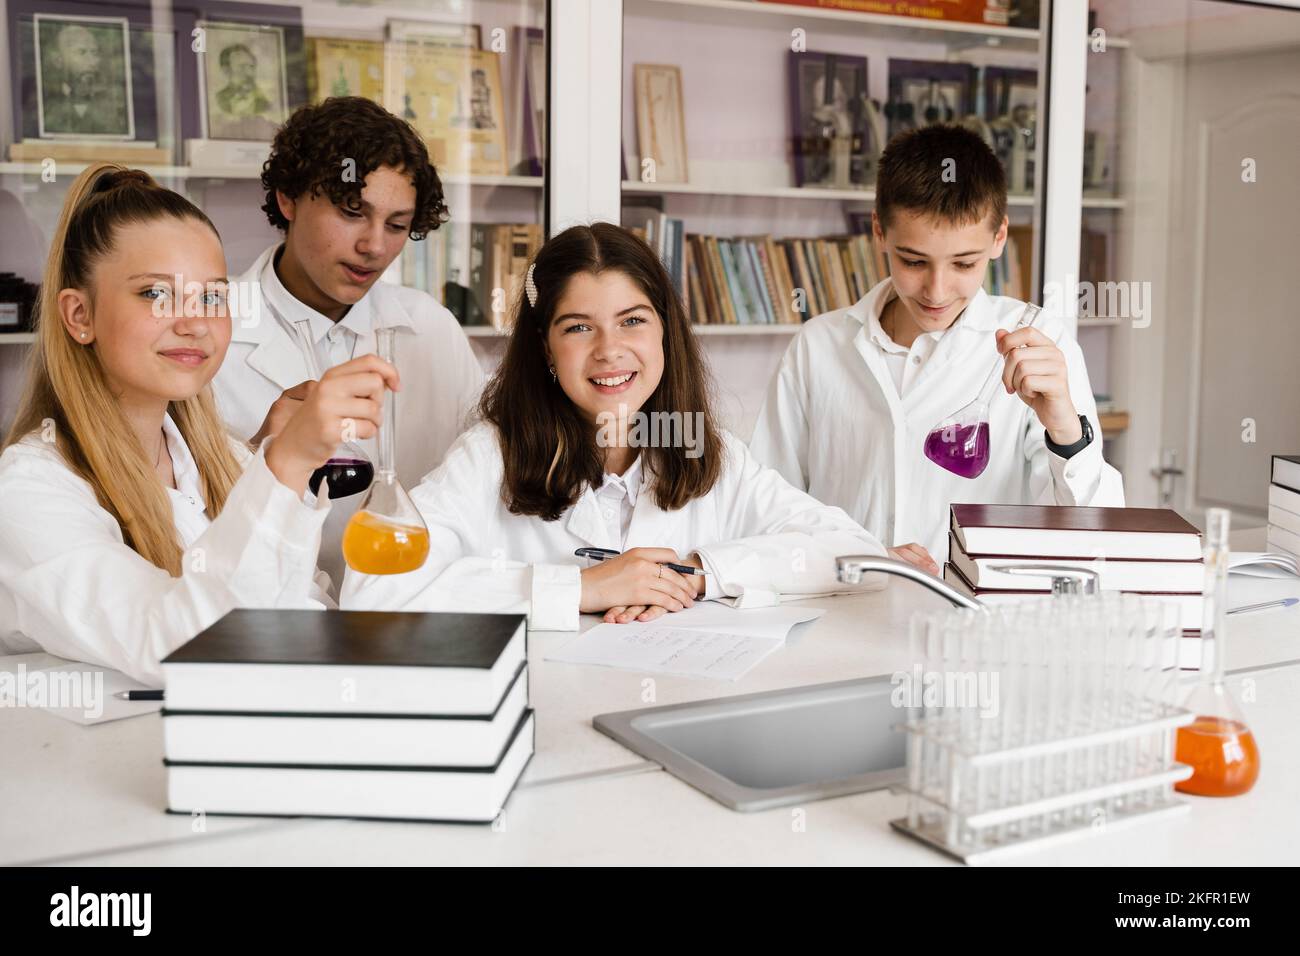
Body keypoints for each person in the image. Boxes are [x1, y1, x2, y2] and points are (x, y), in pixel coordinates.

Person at [342, 223, 893, 627]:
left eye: (632, 321)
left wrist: (698, 573)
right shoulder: (490, 455)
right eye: (579, 327)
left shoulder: (707, 449)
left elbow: (855, 554)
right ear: (546, 350)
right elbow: (375, 591)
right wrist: (579, 588)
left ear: (664, 334)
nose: (610, 351)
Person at [0, 164, 399, 686]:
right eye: (155, 294)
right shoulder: (30, 489)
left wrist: (266, 466)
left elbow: (303, 615)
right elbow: (182, 645)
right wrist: (286, 464)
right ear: (80, 316)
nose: (194, 322)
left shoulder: (227, 460)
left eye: (212, 296)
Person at [750, 124, 1124, 566]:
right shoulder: (819, 347)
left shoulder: (1041, 345)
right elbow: (765, 510)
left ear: (999, 238)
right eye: (913, 261)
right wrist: (851, 556)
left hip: (973, 621)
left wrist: (1064, 428)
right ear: (879, 232)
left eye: (964, 263)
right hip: (843, 616)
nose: (937, 290)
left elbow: (1097, 533)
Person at [212, 97, 483, 595]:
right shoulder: (207, 330)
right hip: (258, 616)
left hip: (408, 608)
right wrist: (261, 454)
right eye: (352, 212)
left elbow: (486, 478)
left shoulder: (430, 328)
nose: (375, 246)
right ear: (289, 199)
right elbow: (177, 517)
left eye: (397, 225)